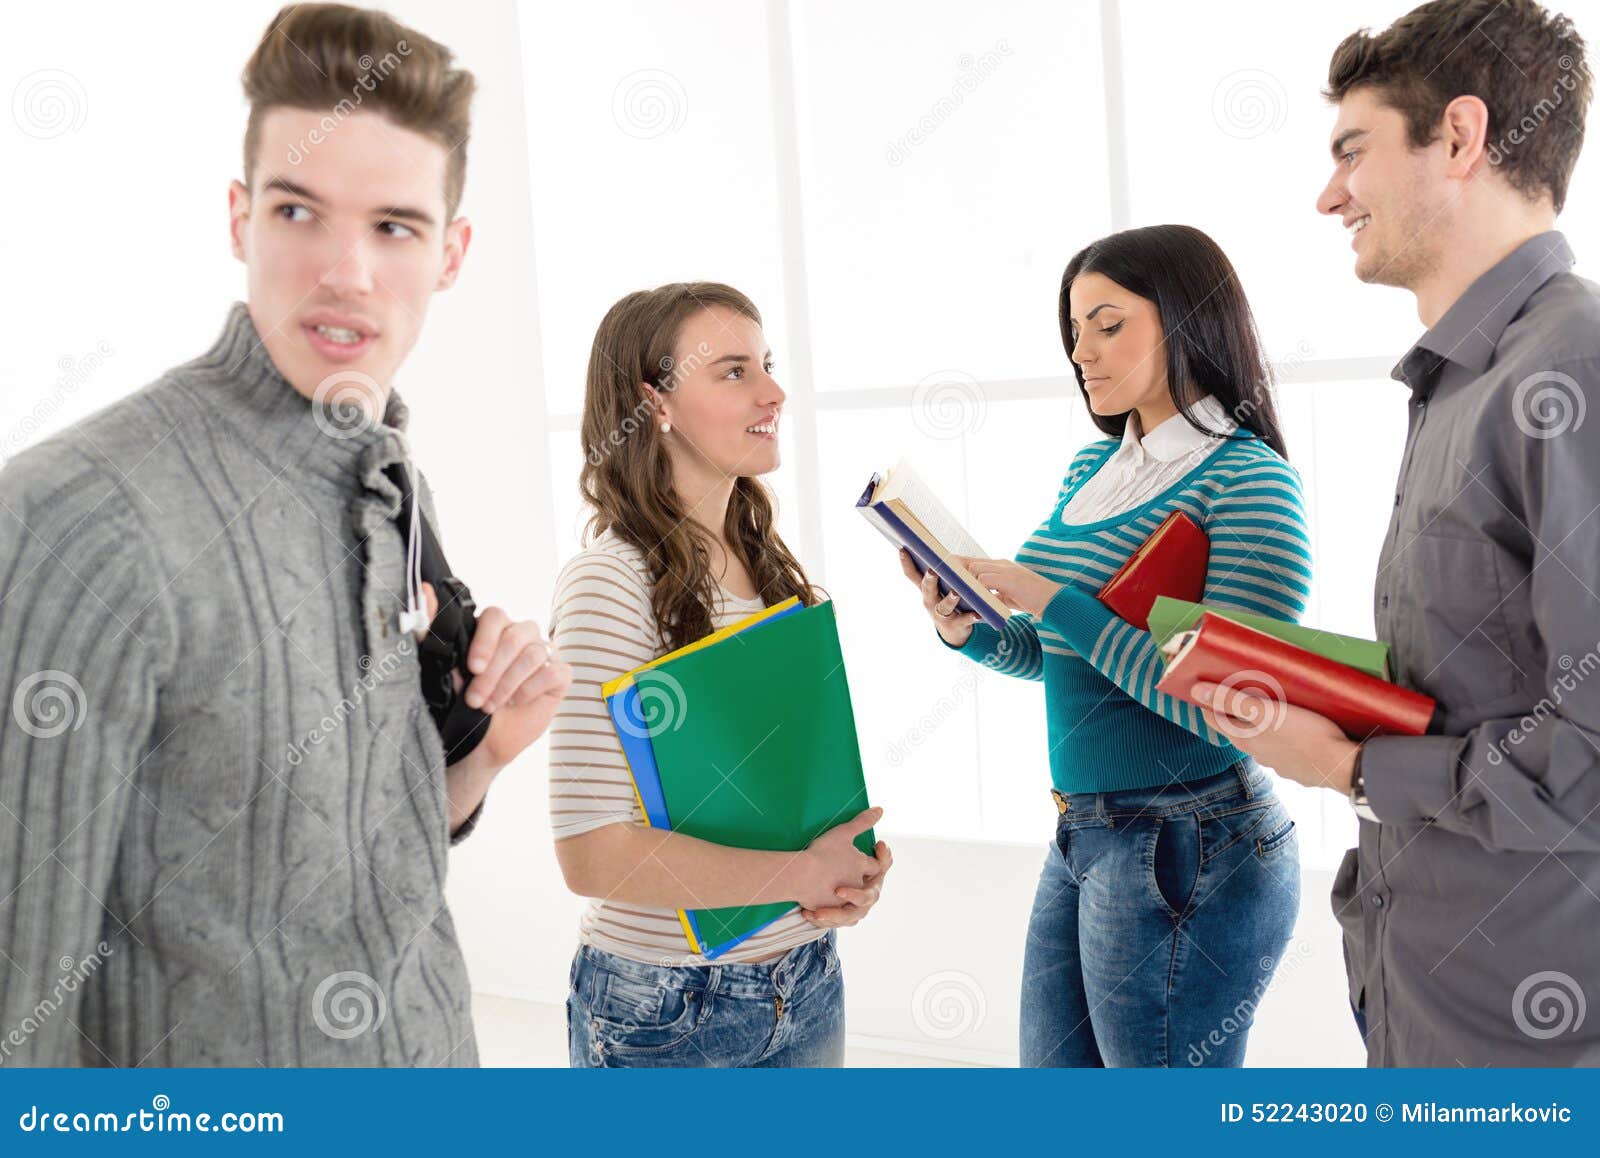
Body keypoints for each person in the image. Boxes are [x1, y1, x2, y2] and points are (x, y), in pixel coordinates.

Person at [0, 3, 570, 1066]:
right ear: (238, 219)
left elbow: (358, 861)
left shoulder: (393, 481)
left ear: (450, 253)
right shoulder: (75, 524)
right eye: (300, 212)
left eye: (393, 227)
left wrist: (486, 752)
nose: (346, 271)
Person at [1199, 0, 1600, 1066]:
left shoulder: (1570, 372)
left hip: (1530, 1042)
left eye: (1352, 152)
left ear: (1460, 139)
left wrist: (1348, 768)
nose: (1328, 194)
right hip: (1421, 998)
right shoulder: (1458, 384)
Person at [905, 224, 1313, 1066]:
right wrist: (969, 628)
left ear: (1186, 318)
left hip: (1192, 837)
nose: (1081, 351)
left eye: (1108, 323)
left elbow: (1230, 707)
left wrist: (1054, 596)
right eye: (1074, 329)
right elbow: (1059, 653)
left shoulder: (1250, 480)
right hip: (1086, 832)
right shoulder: (1090, 470)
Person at [548, 281, 890, 1067]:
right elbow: (588, 854)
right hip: (665, 1006)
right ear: (654, 403)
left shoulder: (771, 570)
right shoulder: (609, 581)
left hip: (803, 977)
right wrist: (801, 872)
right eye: (734, 371)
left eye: (766, 365)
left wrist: (842, 869)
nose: (773, 392)